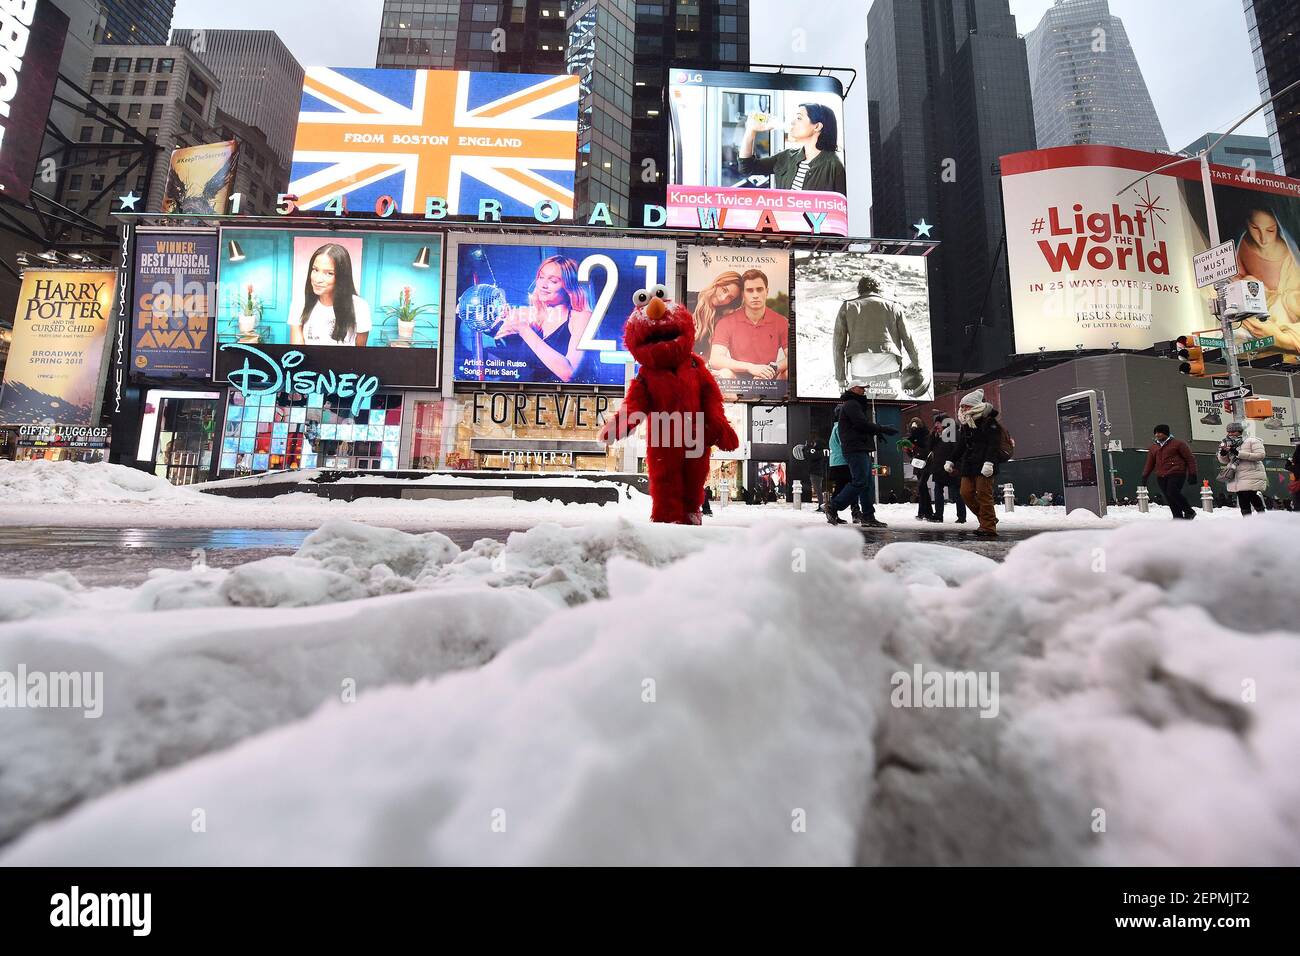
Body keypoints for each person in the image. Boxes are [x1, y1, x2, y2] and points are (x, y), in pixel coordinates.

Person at [494, 255, 594, 383]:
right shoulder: (530, 315)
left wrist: (523, 330)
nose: (543, 285)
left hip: (561, 399)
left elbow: (569, 372)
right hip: (523, 397)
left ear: (569, 286)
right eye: (541, 277)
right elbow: (493, 333)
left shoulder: (581, 317)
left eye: (553, 281)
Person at [832, 275, 925, 398]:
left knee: (864, 413)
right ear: (880, 290)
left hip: (860, 371)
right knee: (888, 411)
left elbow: (838, 347)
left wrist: (841, 379)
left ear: (860, 290)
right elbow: (909, 339)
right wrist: (917, 364)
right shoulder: (894, 306)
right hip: (889, 370)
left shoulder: (848, 307)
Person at [826, 382, 896, 528]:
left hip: (858, 448)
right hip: (855, 449)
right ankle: (834, 506)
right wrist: (881, 429)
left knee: (866, 484)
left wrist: (876, 432)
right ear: (852, 389)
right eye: (861, 387)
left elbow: (859, 426)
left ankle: (868, 515)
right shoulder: (852, 404)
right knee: (860, 482)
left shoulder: (853, 404)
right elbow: (861, 424)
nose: (864, 390)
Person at [738, 103, 847, 196]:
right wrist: (751, 130)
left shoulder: (835, 165)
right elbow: (746, 168)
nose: (792, 122)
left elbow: (843, 210)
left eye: (799, 118)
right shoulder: (786, 157)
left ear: (817, 126)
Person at [1235, 207, 1300, 354]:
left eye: (1270, 230)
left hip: (1284, 310)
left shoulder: (1290, 255)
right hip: (1259, 308)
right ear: (1247, 224)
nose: (1263, 238)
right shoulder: (1243, 246)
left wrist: (1280, 338)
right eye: (1255, 228)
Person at [708, 269, 788, 383]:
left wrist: (772, 369)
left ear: (767, 291)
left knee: (788, 372)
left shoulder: (781, 321)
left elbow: (792, 356)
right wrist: (751, 367)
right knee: (724, 373)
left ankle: (787, 401)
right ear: (743, 294)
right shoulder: (726, 322)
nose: (755, 295)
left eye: (759, 290)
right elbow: (715, 359)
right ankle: (733, 400)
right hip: (738, 379)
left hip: (770, 377)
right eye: (750, 290)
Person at [945, 389, 1003, 538]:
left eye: (966, 406)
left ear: (975, 406)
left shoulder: (989, 421)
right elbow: (961, 445)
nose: (962, 409)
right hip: (969, 465)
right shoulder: (966, 423)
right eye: (962, 406)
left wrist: (989, 462)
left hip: (985, 464)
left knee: (984, 495)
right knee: (965, 493)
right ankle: (988, 519)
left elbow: (993, 444)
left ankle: (988, 527)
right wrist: (951, 459)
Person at [289, 243, 372, 346]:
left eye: (329, 273)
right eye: (315, 270)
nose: (318, 279)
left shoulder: (359, 306)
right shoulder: (300, 302)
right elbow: (297, 350)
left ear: (342, 277)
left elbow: (360, 353)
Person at [1140, 424, 1198, 520]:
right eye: (1156, 433)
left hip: (1177, 472)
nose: (1157, 435)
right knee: (1168, 496)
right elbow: (1150, 463)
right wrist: (1145, 476)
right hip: (1161, 475)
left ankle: (1189, 511)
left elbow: (1190, 459)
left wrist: (1193, 473)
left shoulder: (1178, 444)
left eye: (1160, 433)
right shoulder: (1154, 447)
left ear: (1166, 433)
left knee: (1172, 492)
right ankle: (1177, 517)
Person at [1217, 421, 1267, 516]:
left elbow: (1260, 455)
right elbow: (1224, 461)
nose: (1230, 434)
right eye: (1228, 432)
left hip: (1251, 473)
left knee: (1251, 495)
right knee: (1242, 497)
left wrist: (1237, 453)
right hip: (1236, 473)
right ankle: (1247, 520)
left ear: (1240, 431)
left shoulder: (1252, 441)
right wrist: (1223, 454)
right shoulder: (1226, 443)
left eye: (1233, 432)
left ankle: (1262, 516)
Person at [692, 270, 743, 361]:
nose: (723, 298)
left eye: (730, 297)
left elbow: (709, 357)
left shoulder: (720, 319)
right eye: (724, 290)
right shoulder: (690, 299)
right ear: (717, 283)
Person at [827, 406, 862, 523]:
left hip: (836, 462)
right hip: (844, 461)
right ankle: (850, 511)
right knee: (852, 485)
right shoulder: (841, 428)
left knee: (843, 487)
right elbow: (846, 444)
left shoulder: (835, 427)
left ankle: (835, 512)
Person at [904, 416, 932, 520]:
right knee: (922, 488)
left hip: (925, 464)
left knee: (921, 487)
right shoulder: (913, 437)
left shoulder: (925, 435)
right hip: (918, 464)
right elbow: (912, 454)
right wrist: (909, 450)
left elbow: (926, 450)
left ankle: (924, 513)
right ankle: (926, 513)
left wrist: (913, 448)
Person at [803, 430, 828, 511]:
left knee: (818, 490)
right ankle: (821, 506)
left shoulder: (817, 453)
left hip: (815, 473)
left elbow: (808, 456)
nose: (814, 444)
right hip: (818, 473)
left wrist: (806, 447)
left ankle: (821, 506)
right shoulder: (821, 453)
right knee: (818, 490)